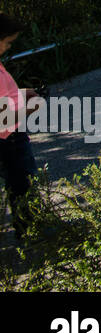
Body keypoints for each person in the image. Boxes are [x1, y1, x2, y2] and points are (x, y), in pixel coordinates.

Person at [0, 13, 36, 241]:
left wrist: (22, 94)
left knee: (23, 181)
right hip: (8, 138)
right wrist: (29, 109)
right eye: (7, 42)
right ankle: (28, 231)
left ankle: (30, 225)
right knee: (21, 184)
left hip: (13, 134)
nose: (7, 48)